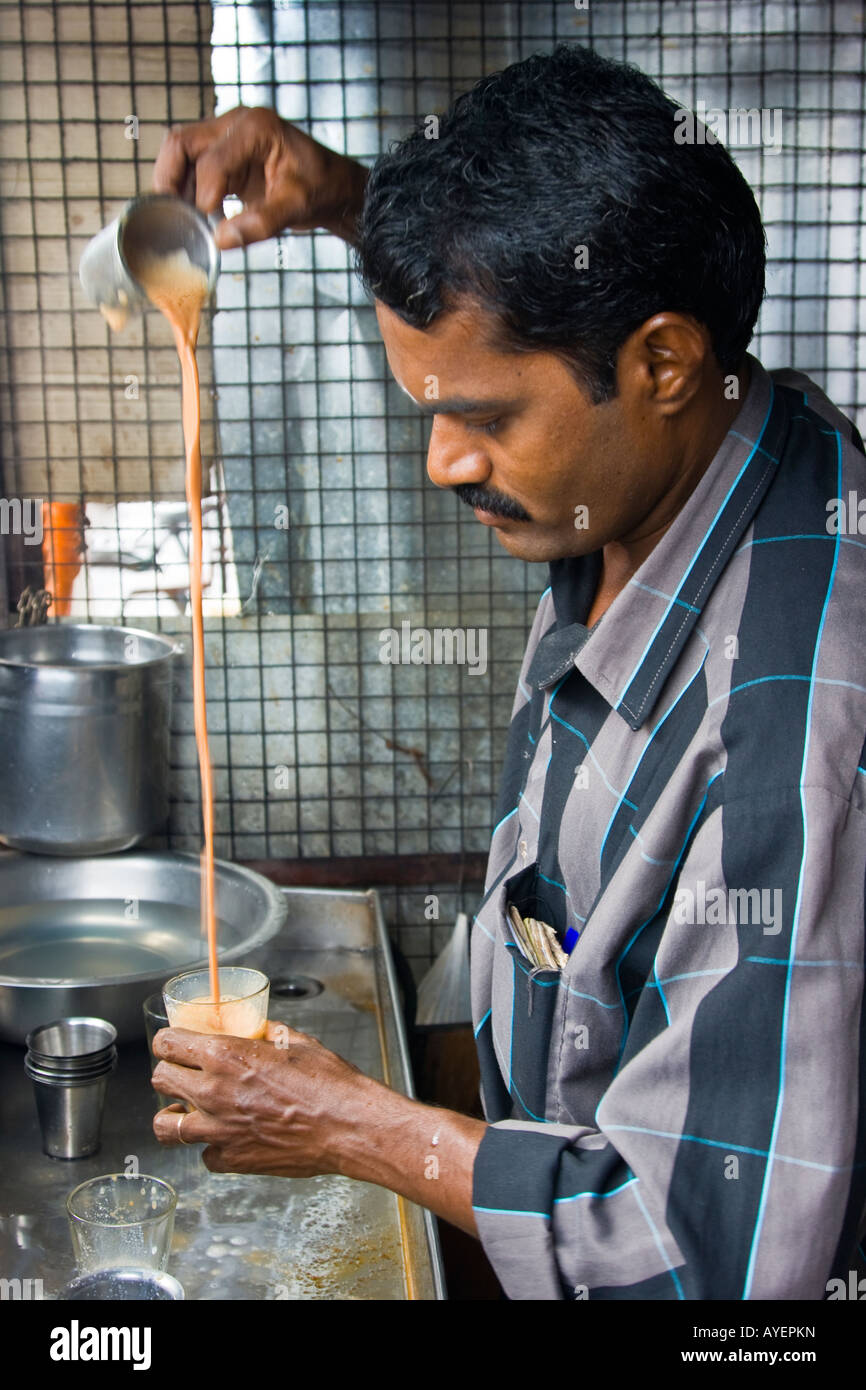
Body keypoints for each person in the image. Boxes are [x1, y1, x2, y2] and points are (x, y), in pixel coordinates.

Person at [151, 45, 866, 1300]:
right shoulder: (704, 437)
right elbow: (542, 288)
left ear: (659, 363)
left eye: (482, 415)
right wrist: (337, 198)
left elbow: (708, 1265)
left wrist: (354, 1127)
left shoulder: (793, 737)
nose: (445, 463)